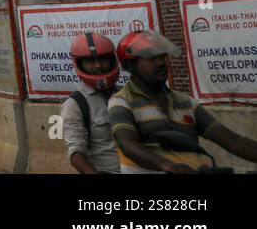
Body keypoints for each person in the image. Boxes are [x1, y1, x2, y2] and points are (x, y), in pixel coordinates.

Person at [108, 30, 257, 173]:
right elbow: (127, 144)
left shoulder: (186, 102)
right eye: (152, 58)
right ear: (129, 65)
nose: (160, 63)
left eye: (162, 56)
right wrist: (168, 166)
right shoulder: (121, 101)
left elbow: (232, 140)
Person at [59, 32, 121, 174]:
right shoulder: (75, 105)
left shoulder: (126, 94)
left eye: (103, 59)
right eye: (90, 61)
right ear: (80, 64)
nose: (98, 66)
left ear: (113, 59)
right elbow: (76, 155)